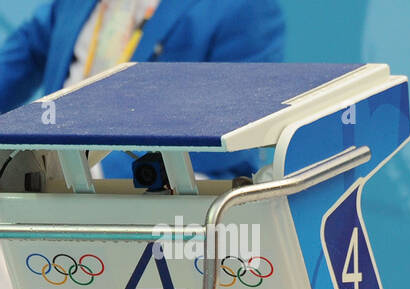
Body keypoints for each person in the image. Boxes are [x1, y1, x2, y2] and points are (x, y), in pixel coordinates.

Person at [0, 0, 285, 180]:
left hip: (171, 197)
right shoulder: (71, 5)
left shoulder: (246, 7)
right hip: (50, 179)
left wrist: (88, 170)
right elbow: (19, 59)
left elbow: (236, 133)